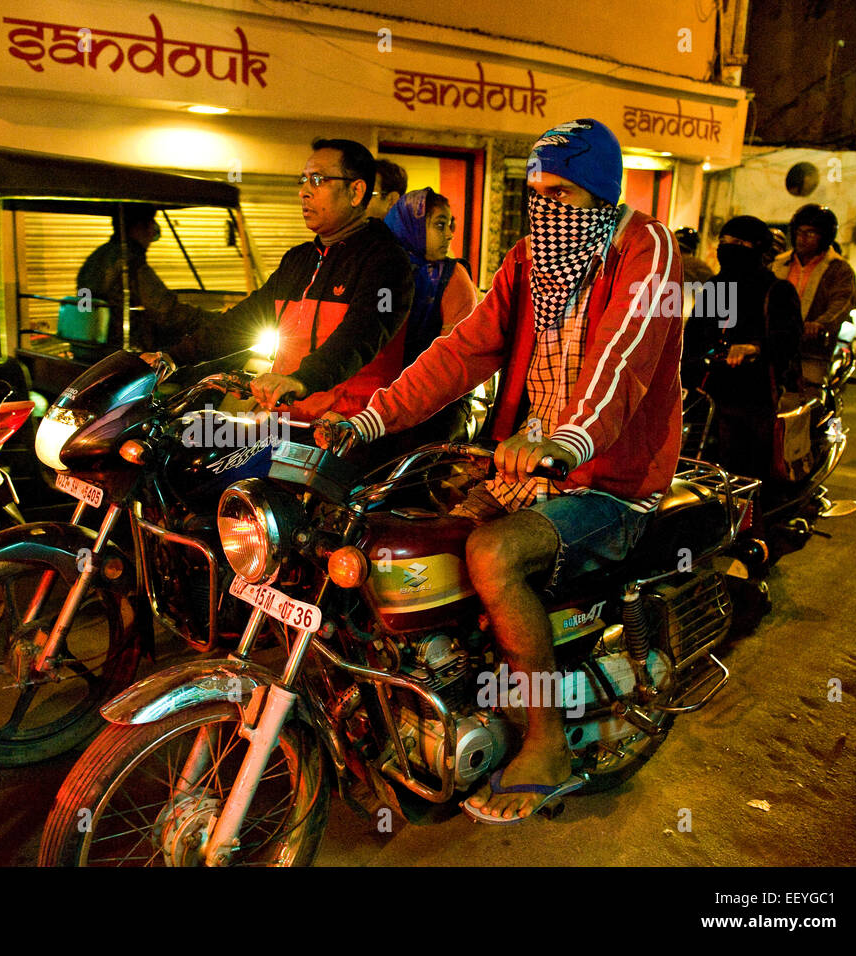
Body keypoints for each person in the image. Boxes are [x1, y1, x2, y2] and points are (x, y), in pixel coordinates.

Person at [322, 118, 683, 822]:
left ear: (604, 197)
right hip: (527, 465)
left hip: (608, 477)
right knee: (405, 536)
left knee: (492, 554)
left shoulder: (645, 248)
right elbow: (463, 350)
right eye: (537, 191)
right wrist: (372, 417)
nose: (546, 207)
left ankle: (546, 744)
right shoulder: (527, 259)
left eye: (565, 193)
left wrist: (571, 441)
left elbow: (626, 354)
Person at [151, 138, 414, 419]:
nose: (303, 192)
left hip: (348, 426)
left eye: (317, 180)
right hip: (288, 417)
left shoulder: (386, 262)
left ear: (356, 191)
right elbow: (244, 321)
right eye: (303, 180)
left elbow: (361, 336)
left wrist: (303, 380)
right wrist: (172, 357)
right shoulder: (299, 260)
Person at [684, 215, 802, 479]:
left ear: (757, 247)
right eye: (723, 241)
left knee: (744, 478)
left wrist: (754, 348)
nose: (726, 247)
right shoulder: (715, 286)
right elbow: (695, 335)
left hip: (752, 401)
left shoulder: (776, 290)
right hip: (706, 398)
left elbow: (789, 339)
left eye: (737, 242)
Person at [381, 187, 478, 443]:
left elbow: (454, 360)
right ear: (408, 225)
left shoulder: (452, 277)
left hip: (440, 401)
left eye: (449, 225)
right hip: (383, 391)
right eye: (439, 225)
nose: (449, 235)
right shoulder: (382, 271)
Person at [75, 203, 209, 352]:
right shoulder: (129, 263)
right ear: (139, 227)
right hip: (124, 348)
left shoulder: (98, 256)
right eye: (152, 224)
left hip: (92, 343)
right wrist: (210, 319)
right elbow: (166, 311)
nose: (153, 233)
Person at [772, 204, 856, 368]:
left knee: (811, 390)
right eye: (799, 232)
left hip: (812, 353)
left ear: (824, 236)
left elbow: (842, 303)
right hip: (774, 347)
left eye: (810, 233)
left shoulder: (838, 269)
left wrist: (820, 324)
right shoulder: (778, 264)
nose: (802, 238)